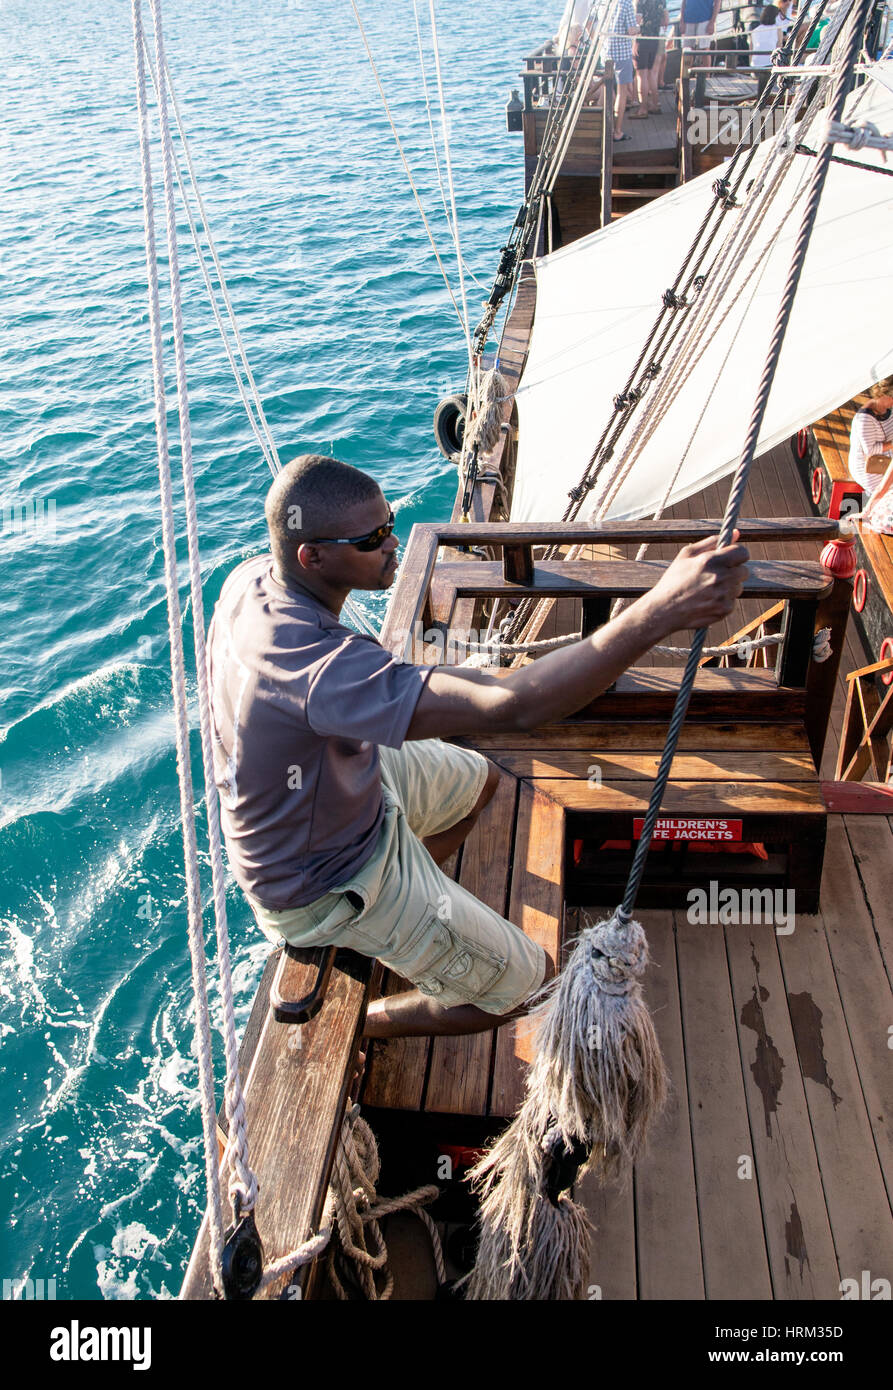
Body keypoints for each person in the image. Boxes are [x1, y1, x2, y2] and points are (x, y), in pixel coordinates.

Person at [207, 454, 748, 1043]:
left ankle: (415, 910)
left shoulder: (252, 581)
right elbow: (514, 705)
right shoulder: (320, 667)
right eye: (372, 539)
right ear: (311, 556)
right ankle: (358, 1024)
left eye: (390, 524)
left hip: (335, 790)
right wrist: (659, 610)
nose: (391, 545)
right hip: (324, 878)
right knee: (532, 987)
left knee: (479, 781)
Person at [848, 378, 893, 497]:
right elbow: (870, 450)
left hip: (885, 460)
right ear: (884, 395)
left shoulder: (887, 410)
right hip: (869, 470)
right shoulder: (865, 419)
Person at [609, 0, 641, 139]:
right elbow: (631, 30)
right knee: (621, 94)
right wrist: (639, 25)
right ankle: (617, 131)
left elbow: (589, 25)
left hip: (606, 53)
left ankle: (607, 128)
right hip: (622, 54)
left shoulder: (602, 2)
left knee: (608, 91)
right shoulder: (626, 3)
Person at [633, 0, 670, 116]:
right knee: (650, 74)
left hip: (642, 39)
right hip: (655, 38)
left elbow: (637, 22)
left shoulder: (640, 2)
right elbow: (666, 20)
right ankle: (655, 103)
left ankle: (643, 108)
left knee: (641, 75)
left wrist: (634, 37)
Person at [681, 0, 721, 66]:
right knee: (687, 50)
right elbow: (684, 2)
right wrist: (682, 20)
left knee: (704, 49)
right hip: (688, 18)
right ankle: (685, 75)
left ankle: (707, 75)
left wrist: (712, 22)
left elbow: (717, 2)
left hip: (705, 19)